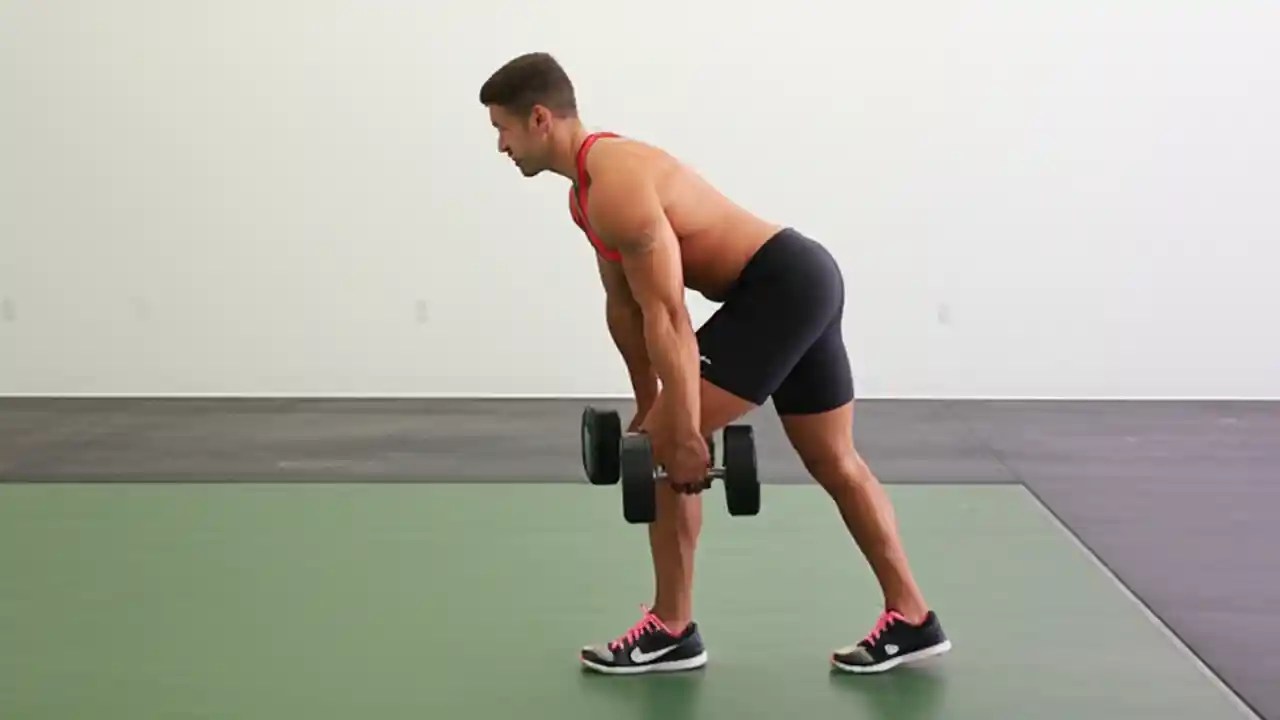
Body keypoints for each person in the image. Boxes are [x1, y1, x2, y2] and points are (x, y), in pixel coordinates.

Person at [478, 51, 951, 675]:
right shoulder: (585, 197)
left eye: (503, 129)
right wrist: (650, 402)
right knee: (833, 459)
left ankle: (672, 628)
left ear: (540, 118)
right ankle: (913, 618)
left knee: (664, 446)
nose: (501, 146)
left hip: (780, 287)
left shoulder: (616, 183)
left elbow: (668, 314)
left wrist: (675, 428)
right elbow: (625, 309)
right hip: (803, 279)